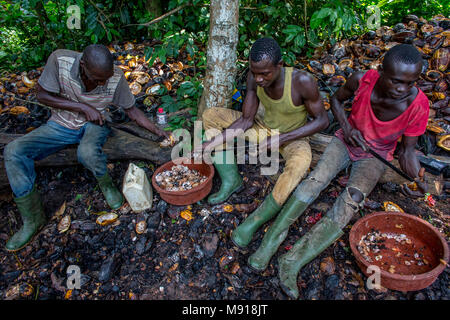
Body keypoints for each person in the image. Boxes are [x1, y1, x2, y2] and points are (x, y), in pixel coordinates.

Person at [273, 44, 429, 299]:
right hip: (345, 140)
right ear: (381, 72)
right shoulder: (362, 80)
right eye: (397, 81)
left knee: (352, 200)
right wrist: (346, 127)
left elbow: (408, 151)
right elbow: (335, 100)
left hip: (376, 154)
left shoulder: (419, 105)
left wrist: (418, 177)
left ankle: (292, 260)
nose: (403, 89)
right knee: (314, 181)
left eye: (410, 83)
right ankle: (272, 240)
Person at [3, 44, 169, 252]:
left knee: (87, 153)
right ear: (83, 65)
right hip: (61, 124)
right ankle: (32, 219)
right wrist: (82, 107)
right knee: (14, 151)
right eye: (97, 79)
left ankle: (107, 185)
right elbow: (42, 95)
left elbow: (131, 110)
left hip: (95, 124)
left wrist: (156, 130)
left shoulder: (115, 77)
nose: (102, 83)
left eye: (105, 79)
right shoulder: (60, 60)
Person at [198, 37, 329, 270]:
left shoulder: (302, 81)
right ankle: (231, 180)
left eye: (265, 74)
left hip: (292, 137)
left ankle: (255, 220)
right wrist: (211, 144)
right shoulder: (254, 77)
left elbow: (322, 120)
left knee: (299, 165)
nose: (259, 79)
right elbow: (246, 120)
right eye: (254, 73)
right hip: (261, 129)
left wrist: (282, 139)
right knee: (210, 115)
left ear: (280, 65)